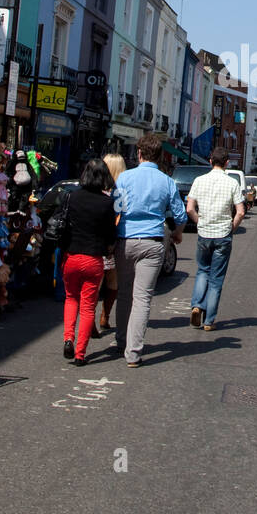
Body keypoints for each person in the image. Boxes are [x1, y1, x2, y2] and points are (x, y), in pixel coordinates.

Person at [111, 134, 187, 367]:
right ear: (160, 155)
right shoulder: (167, 181)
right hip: (153, 242)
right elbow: (181, 215)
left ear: (140, 154)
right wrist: (177, 233)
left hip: (125, 239)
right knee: (143, 298)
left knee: (124, 293)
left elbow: (115, 208)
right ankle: (133, 353)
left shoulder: (124, 178)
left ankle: (121, 340)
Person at [60, 158, 118, 366]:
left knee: (71, 299)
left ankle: (68, 338)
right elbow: (111, 235)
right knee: (87, 307)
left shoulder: (71, 197)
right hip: (93, 259)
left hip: (72, 257)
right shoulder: (107, 203)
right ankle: (80, 354)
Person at [186, 146, 246, 331]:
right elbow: (241, 212)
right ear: (227, 163)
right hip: (223, 235)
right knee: (216, 279)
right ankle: (208, 321)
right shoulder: (232, 183)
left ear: (210, 161)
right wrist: (232, 228)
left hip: (204, 233)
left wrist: (199, 222)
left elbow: (189, 208)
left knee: (203, 270)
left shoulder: (199, 180)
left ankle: (197, 305)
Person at [98, 153, 127, 332]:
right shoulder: (120, 192)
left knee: (95, 284)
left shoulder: (96, 190)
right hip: (114, 241)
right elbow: (121, 215)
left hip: (96, 241)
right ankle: (105, 316)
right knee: (113, 283)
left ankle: (90, 320)